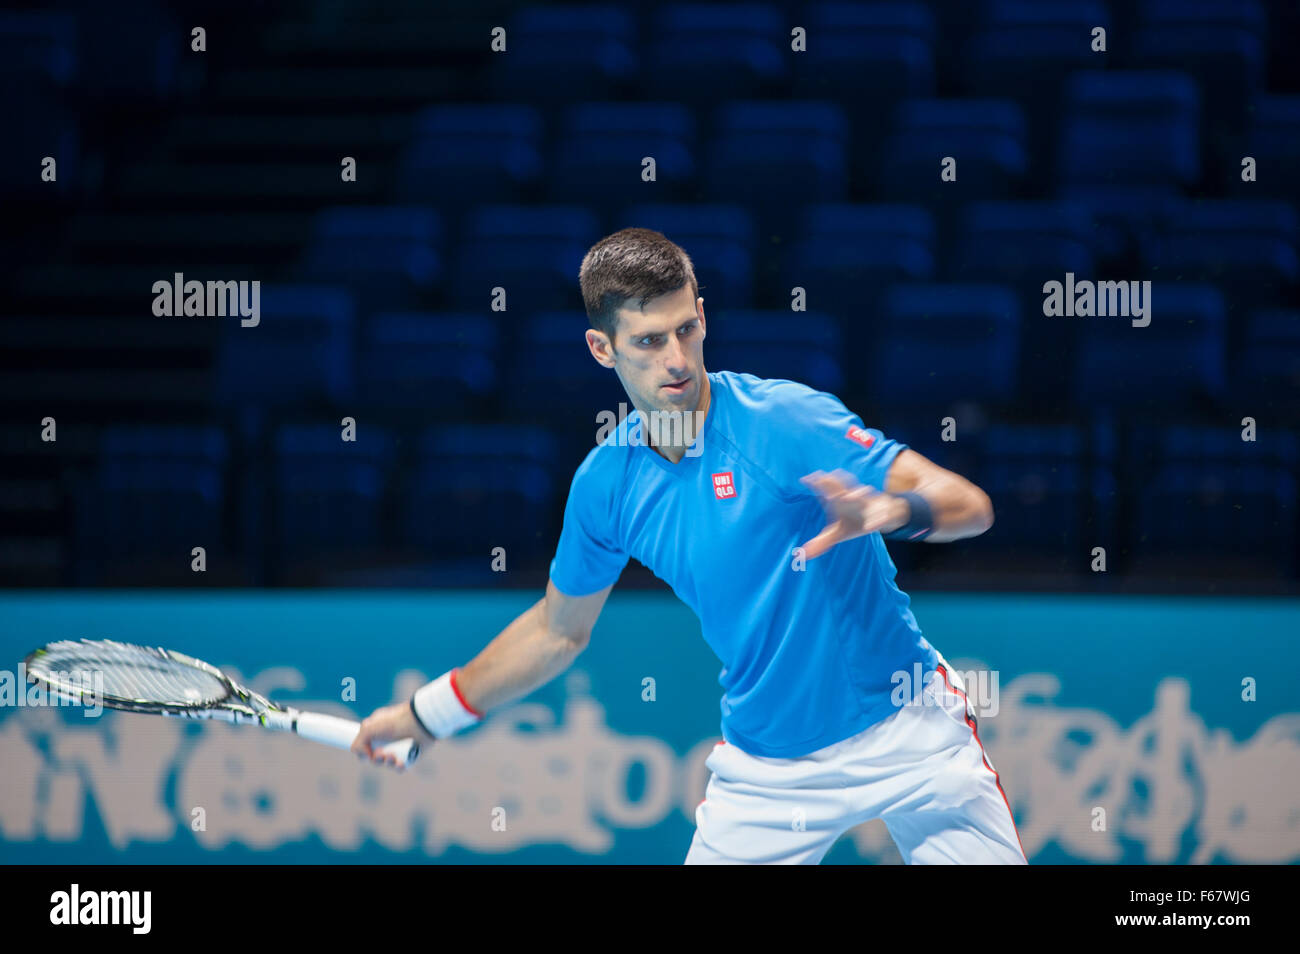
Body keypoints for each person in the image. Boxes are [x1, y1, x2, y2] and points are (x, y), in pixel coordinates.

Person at [353, 227, 1026, 864]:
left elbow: (972, 507)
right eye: (647, 342)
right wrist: (426, 714)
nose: (676, 359)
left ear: (703, 316)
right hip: (768, 771)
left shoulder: (786, 421)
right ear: (601, 348)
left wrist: (893, 508)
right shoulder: (606, 486)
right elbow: (557, 632)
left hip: (910, 732)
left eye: (686, 329)